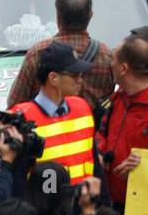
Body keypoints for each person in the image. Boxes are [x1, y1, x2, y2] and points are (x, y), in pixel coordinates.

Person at [95, 35, 148, 208]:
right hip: (112, 202)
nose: (110, 65)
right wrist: (100, 152)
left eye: (113, 60)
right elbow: (102, 132)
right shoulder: (118, 98)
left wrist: (145, 161)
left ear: (123, 68)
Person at [5, 0, 115, 107]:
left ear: (57, 16)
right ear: (90, 15)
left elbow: (14, 104)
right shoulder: (108, 56)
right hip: (90, 126)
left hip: (44, 125)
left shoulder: (38, 53)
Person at [9, 42, 100, 183]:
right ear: (53, 78)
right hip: (46, 204)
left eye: (81, 75)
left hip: (83, 203)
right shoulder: (23, 118)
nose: (80, 81)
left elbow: (96, 168)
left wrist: (102, 203)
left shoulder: (82, 108)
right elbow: (17, 178)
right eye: (74, 75)